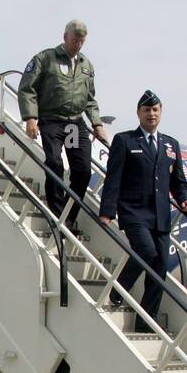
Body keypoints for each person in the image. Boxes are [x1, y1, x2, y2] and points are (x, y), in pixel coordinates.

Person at [98, 90, 187, 320]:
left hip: (161, 216)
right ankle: (119, 288)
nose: (151, 114)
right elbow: (114, 178)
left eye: (155, 110)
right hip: (134, 212)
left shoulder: (171, 145)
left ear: (160, 112)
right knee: (146, 251)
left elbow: (178, 180)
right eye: (146, 110)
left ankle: (147, 321)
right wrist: (107, 212)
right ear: (138, 113)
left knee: (159, 268)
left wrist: (184, 198)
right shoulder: (125, 140)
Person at [17, 20, 109, 232]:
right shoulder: (46, 58)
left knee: (83, 170)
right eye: (75, 39)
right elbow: (27, 88)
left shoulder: (86, 66)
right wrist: (30, 117)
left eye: (82, 41)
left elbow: (90, 98)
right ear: (65, 37)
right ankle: (58, 215)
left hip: (74, 124)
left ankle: (69, 215)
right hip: (51, 120)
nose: (78, 44)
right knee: (55, 163)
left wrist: (97, 123)